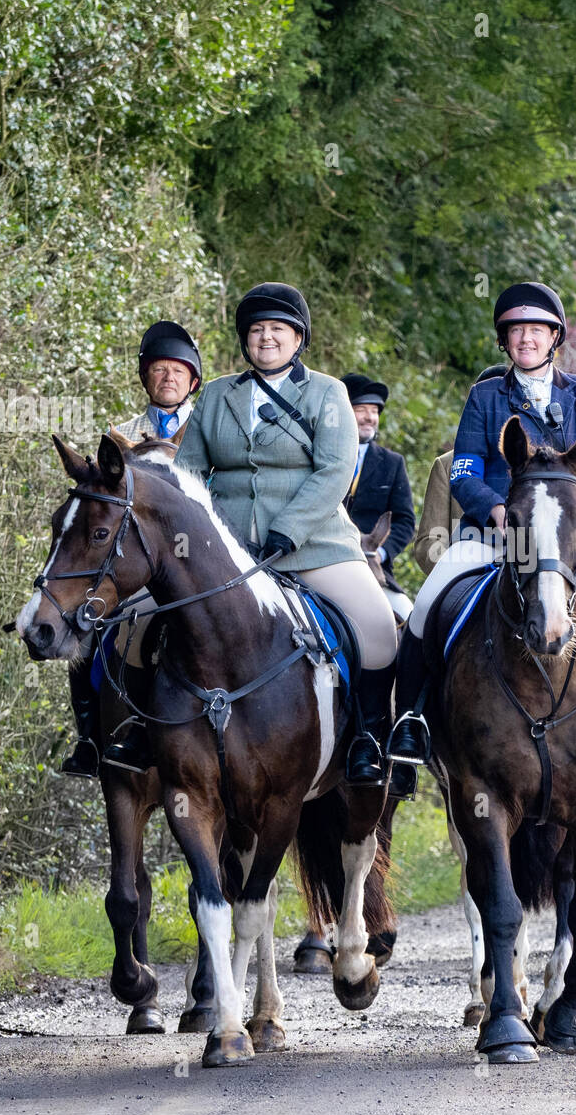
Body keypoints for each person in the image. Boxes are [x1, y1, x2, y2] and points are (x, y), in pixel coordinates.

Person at [387, 281, 576, 778]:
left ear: (554, 337)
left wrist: (570, 524)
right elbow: (464, 470)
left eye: (536, 330)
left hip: (574, 537)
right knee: (426, 606)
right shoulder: (485, 396)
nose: (526, 338)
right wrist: (496, 512)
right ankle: (412, 720)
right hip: (498, 534)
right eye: (516, 331)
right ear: (504, 341)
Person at [154, 281, 399, 786]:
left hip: (314, 545)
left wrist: (288, 529)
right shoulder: (217, 394)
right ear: (245, 339)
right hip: (227, 551)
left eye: (277, 329)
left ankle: (368, 742)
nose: (266, 338)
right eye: (257, 330)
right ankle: (141, 732)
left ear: (298, 338)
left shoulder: (328, 393)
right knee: (145, 621)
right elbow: (189, 474)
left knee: (379, 630)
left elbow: (334, 471)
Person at [62, 320, 203, 777]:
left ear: (193, 381)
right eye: (159, 369)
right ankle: (89, 739)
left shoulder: (208, 429)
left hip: (199, 560)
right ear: (146, 378)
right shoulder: (120, 434)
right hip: (139, 562)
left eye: (178, 371)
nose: (168, 377)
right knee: (89, 630)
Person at [412, 367, 507, 576]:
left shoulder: (541, 465)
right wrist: (458, 574)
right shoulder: (446, 465)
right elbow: (429, 542)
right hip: (464, 570)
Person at [340, 372, 416, 621]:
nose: (370, 417)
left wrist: (379, 553)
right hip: (326, 558)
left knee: (408, 617)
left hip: (373, 566)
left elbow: (405, 522)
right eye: (361, 409)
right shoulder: (321, 455)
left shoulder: (392, 463)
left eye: (374, 411)